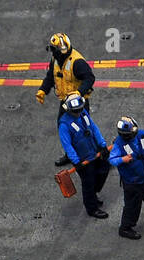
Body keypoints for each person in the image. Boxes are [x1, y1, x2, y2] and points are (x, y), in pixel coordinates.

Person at [37, 33, 96, 167]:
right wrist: (43, 90)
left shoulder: (77, 62)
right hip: (65, 101)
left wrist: (79, 93)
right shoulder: (56, 60)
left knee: (83, 130)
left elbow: (89, 78)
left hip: (79, 102)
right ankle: (71, 154)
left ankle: (90, 155)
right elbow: (51, 76)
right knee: (64, 128)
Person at [58, 92, 110, 219]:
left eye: (80, 110)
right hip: (83, 158)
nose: (78, 113)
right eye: (75, 111)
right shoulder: (64, 125)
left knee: (104, 169)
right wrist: (76, 161)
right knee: (88, 183)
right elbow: (67, 145)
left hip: (94, 150)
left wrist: (102, 145)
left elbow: (93, 128)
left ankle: (93, 194)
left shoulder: (83, 114)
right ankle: (92, 208)